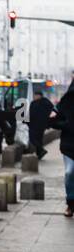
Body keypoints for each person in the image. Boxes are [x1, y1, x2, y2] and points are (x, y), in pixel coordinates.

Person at [53, 83, 74, 217]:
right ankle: (70, 203)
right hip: (69, 146)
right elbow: (53, 121)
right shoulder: (66, 102)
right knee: (69, 172)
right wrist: (66, 125)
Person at [27, 87, 54, 159]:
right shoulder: (46, 102)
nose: (34, 97)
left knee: (32, 137)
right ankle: (39, 154)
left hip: (35, 124)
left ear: (39, 96)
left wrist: (27, 121)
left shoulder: (34, 103)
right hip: (43, 124)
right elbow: (52, 109)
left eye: (35, 95)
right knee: (39, 138)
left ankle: (41, 150)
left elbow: (31, 114)